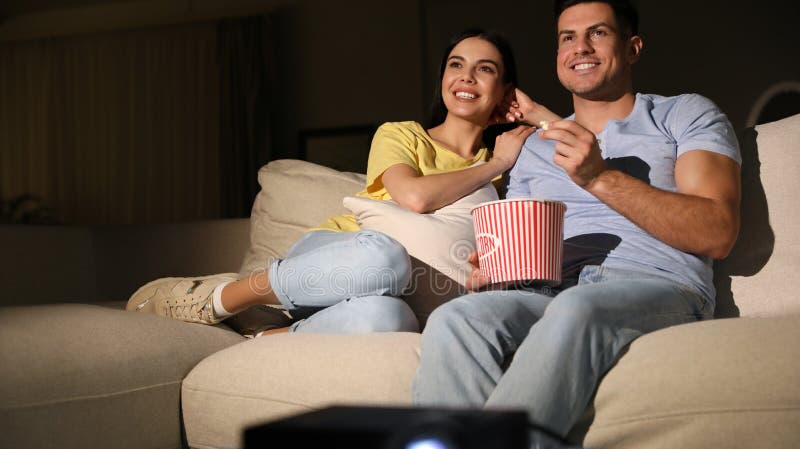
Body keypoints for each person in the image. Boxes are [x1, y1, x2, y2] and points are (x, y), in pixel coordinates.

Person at [413, 0, 742, 437]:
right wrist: (496, 272)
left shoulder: (683, 114)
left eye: (598, 33)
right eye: (567, 37)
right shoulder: (532, 148)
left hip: (658, 286)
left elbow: (717, 231)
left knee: (575, 307)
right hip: (549, 292)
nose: (580, 47)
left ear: (633, 48)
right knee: (458, 319)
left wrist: (600, 178)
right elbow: (522, 252)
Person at [126, 28, 558, 335]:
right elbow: (413, 197)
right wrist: (493, 163)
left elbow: (585, 157)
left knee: (391, 323)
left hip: (401, 298)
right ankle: (221, 299)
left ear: (504, 89)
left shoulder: (510, 167)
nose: (466, 76)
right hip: (343, 257)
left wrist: (536, 113)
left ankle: (269, 336)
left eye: (484, 69)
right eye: (455, 64)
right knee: (386, 259)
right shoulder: (402, 134)